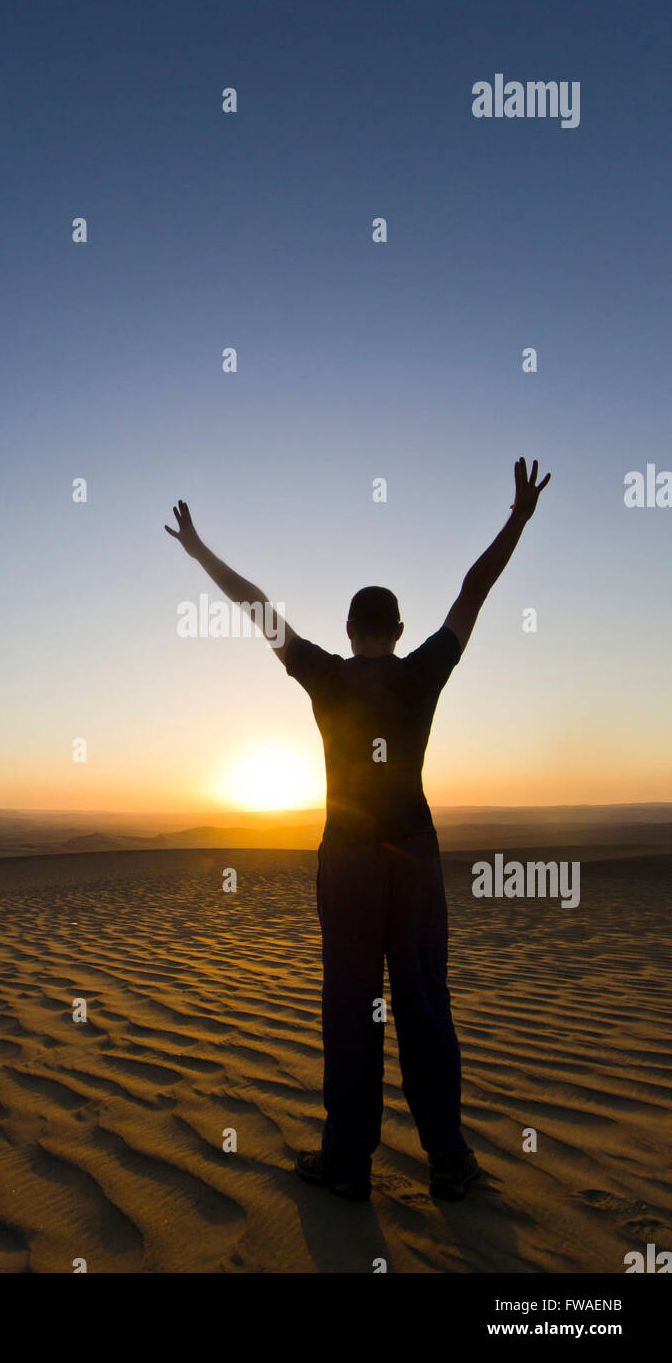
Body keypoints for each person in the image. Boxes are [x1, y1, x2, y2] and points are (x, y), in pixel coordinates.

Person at [165, 457, 551, 1202]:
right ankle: (447, 1161)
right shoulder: (422, 672)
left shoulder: (324, 674)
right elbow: (472, 592)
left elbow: (256, 607)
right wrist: (517, 519)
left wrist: (198, 551)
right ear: (399, 630)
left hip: (346, 860)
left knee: (350, 1007)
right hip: (411, 851)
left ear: (347, 630)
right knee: (423, 1004)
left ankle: (347, 1165)